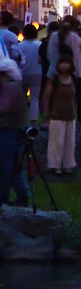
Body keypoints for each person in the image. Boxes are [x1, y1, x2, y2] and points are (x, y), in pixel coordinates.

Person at [43, 55, 78, 175]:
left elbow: (75, 98)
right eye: (61, 63)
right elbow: (47, 96)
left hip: (70, 113)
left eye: (66, 63)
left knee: (70, 142)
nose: (64, 65)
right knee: (56, 141)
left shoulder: (73, 78)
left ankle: (68, 164)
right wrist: (47, 111)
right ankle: (55, 165)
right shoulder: (54, 79)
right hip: (56, 114)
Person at [0, 57, 28, 206]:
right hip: (11, 130)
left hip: (11, 131)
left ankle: (17, 197)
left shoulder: (10, 87)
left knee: (8, 166)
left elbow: (3, 107)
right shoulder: (14, 86)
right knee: (10, 166)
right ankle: (19, 196)